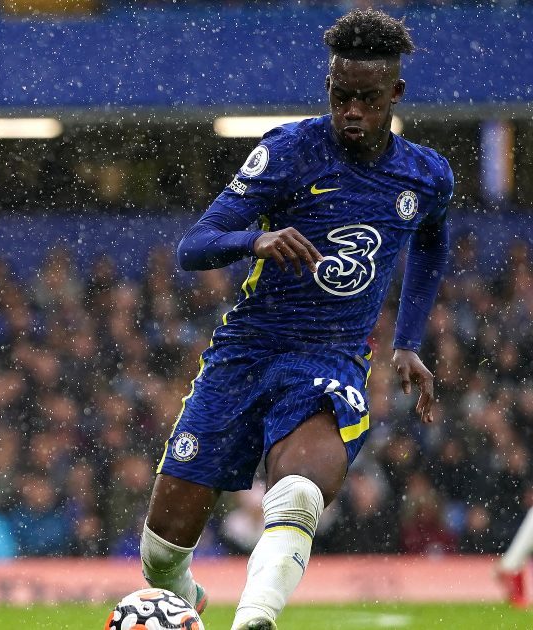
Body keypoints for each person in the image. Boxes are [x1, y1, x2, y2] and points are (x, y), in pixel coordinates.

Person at [138, 9, 452, 630]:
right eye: (341, 98)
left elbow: (433, 242)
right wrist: (252, 240)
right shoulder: (288, 151)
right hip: (246, 351)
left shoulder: (425, 175)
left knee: (302, 491)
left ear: (396, 94)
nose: (352, 113)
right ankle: (185, 599)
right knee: (161, 551)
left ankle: (254, 619)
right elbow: (192, 247)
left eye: (366, 99)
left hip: (328, 357)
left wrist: (409, 340)